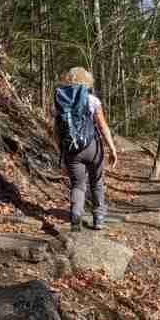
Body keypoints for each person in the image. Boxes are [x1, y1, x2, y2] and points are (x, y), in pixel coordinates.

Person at [54, 67, 118, 232]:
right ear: (87, 81)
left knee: (78, 185)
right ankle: (98, 219)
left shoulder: (62, 100)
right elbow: (102, 126)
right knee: (97, 182)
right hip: (92, 146)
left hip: (71, 149)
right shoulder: (92, 100)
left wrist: (61, 148)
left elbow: (57, 129)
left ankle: (76, 217)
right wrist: (112, 148)